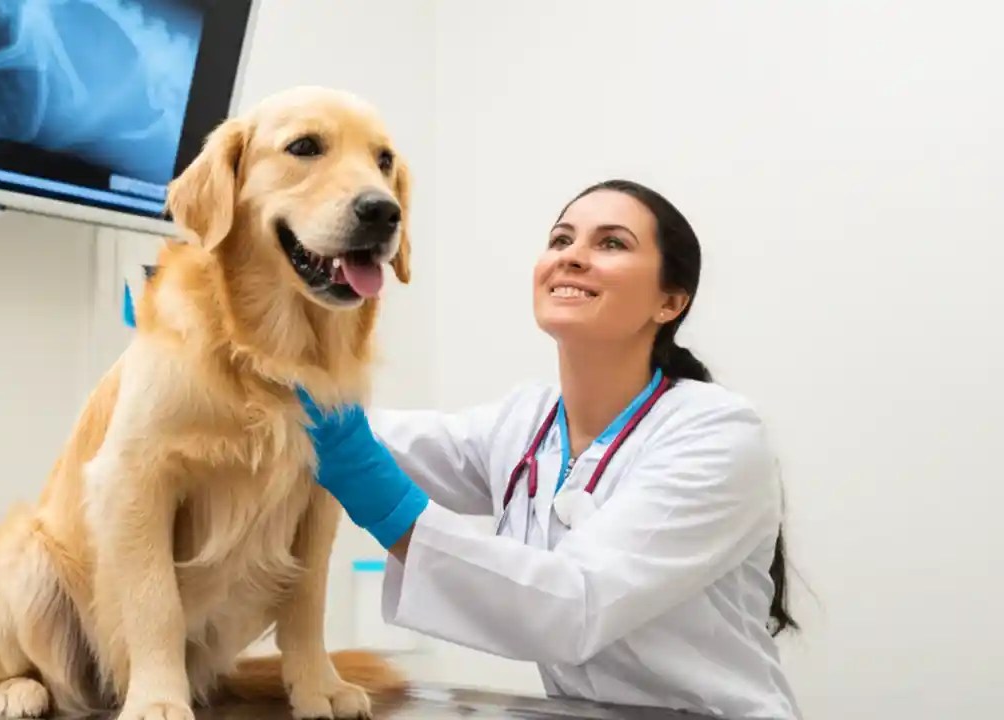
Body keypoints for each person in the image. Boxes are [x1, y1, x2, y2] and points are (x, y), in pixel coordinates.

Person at [298, 179, 802, 720]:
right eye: (561, 240)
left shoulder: (718, 434)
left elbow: (573, 606)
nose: (573, 258)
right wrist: (281, 404)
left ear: (670, 302)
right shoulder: (526, 422)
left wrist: (371, 487)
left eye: (611, 243)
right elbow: (377, 439)